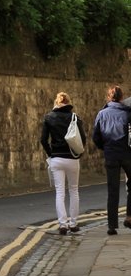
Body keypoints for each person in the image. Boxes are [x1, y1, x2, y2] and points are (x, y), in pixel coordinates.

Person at [40, 91, 86, 235]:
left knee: (60, 192)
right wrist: (79, 153)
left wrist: (51, 153)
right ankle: (73, 224)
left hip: (57, 158)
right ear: (69, 102)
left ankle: (62, 225)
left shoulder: (49, 117)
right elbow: (82, 139)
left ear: (57, 102)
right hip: (72, 158)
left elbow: (43, 140)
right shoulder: (75, 117)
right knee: (74, 190)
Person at [92, 84, 131, 235]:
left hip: (111, 155)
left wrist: (106, 147)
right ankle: (129, 216)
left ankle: (111, 226)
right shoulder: (128, 113)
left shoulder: (102, 114)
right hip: (127, 154)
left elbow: (96, 136)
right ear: (122, 98)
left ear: (109, 97)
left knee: (112, 190)